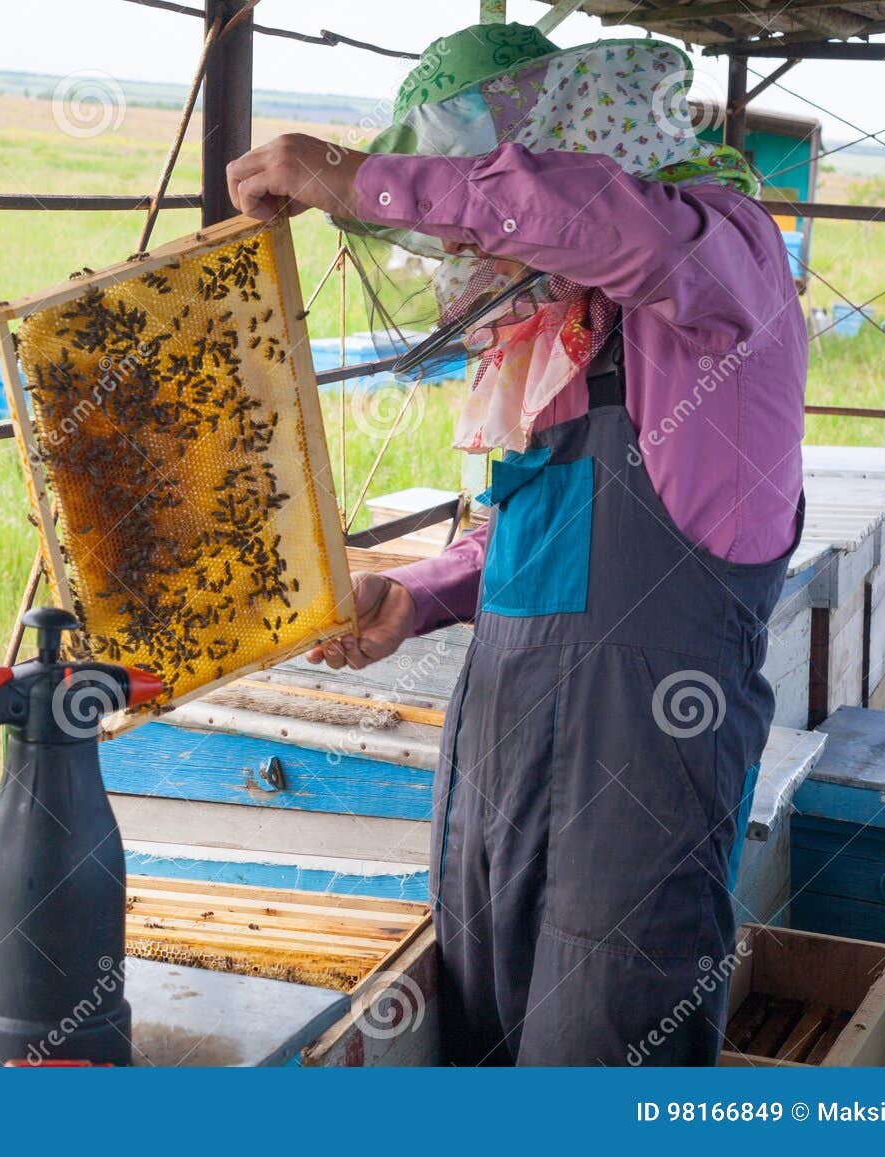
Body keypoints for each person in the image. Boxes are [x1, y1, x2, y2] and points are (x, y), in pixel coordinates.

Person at [225, 25, 805, 1065]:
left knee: (599, 1052)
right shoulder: (563, 332)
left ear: (563, 135)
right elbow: (534, 523)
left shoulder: (721, 260)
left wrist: (352, 177)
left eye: (475, 197)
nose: (463, 253)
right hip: (497, 757)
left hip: (637, 775)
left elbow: (593, 219)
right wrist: (417, 595)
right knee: (483, 1036)